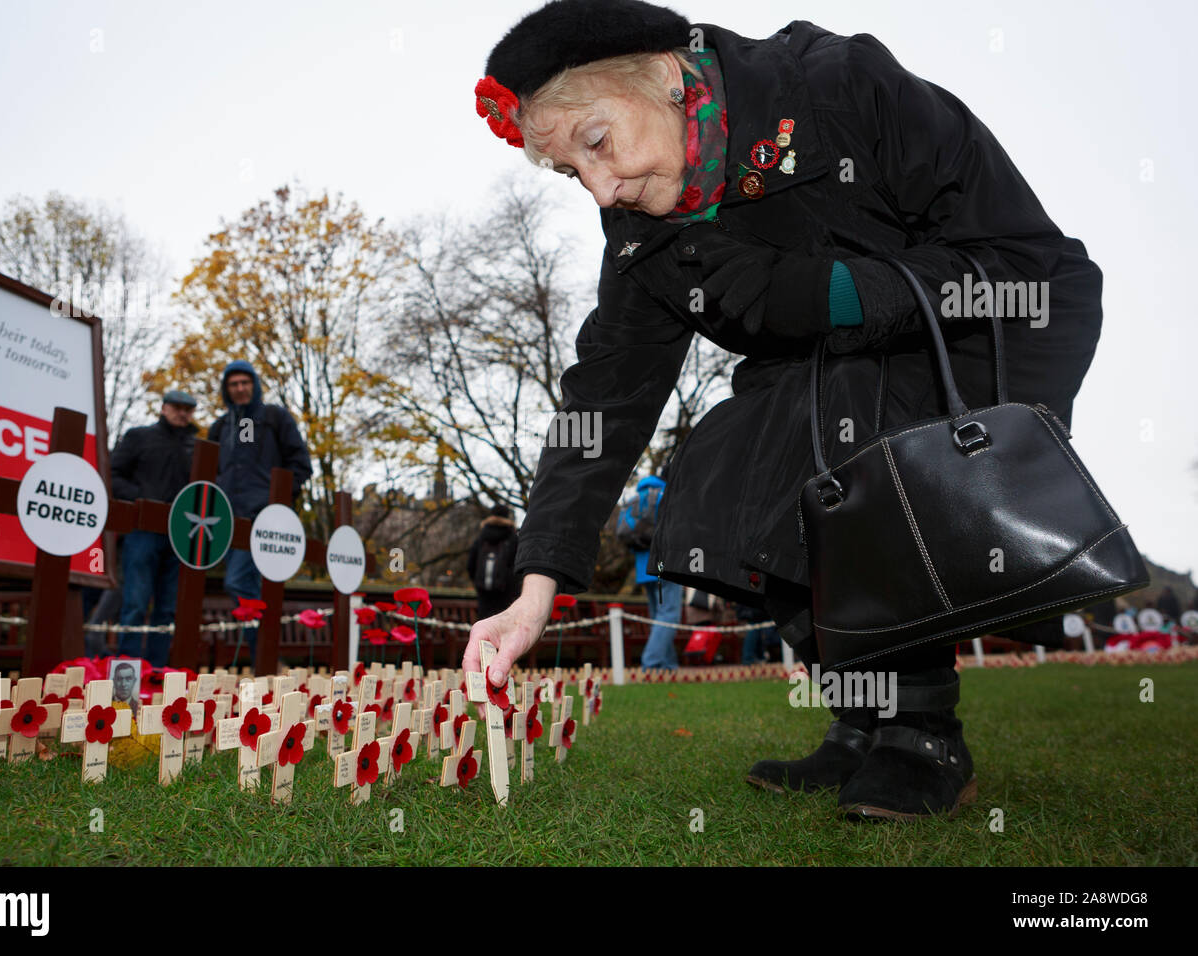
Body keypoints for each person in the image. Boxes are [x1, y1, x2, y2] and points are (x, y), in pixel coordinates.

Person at [464, 0, 1106, 821]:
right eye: (570, 174)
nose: (602, 186)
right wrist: (535, 586)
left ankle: (922, 732)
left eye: (595, 142)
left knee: (842, 426)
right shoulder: (643, 233)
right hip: (819, 378)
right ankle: (858, 719)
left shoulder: (843, 87)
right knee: (731, 466)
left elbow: (1027, 266)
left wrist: (840, 291)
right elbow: (604, 399)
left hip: (981, 343)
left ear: (665, 75)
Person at [207, 360, 313, 662]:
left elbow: (300, 464)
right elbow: (211, 469)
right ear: (226, 390)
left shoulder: (273, 418)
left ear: (254, 384)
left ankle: (265, 655)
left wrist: (277, 503)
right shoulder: (222, 426)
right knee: (250, 585)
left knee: (237, 582)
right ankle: (263, 659)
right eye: (233, 384)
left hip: (263, 519)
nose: (240, 389)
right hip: (228, 520)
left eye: (245, 382)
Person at [109, 389, 198, 667]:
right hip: (142, 531)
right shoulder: (140, 437)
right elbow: (112, 474)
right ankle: (128, 672)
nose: (182, 412)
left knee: (167, 608)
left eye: (188, 408)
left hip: (180, 537)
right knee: (135, 601)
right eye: (176, 406)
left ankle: (158, 671)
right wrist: (141, 500)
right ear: (163, 408)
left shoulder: (197, 448)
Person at [618, 472, 683, 669]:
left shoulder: (633, 500)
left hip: (643, 567)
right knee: (669, 614)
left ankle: (668, 665)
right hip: (665, 564)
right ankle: (652, 663)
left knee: (659, 616)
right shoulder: (665, 496)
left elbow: (625, 535)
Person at [467, 504, 521, 620]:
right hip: (506, 591)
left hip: (484, 591)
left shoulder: (481, 538)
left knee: (484, 622)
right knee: (504, 623)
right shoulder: (513, 538)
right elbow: (518, 566)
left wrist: (478, 581)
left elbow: (470, 565)